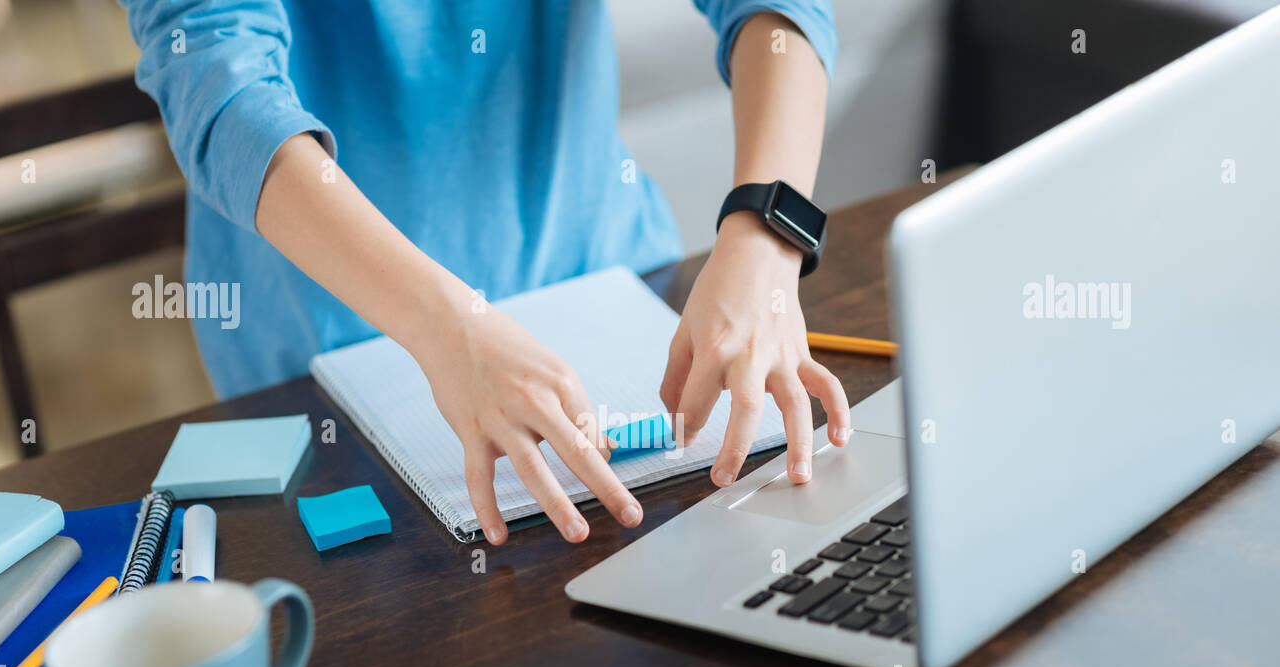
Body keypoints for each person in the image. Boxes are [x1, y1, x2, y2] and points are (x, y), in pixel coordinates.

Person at [124, 1, 852, 545]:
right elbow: (217, 83)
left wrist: (767, 229)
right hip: (332, 343)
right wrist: (445, 326)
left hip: (611, 283)